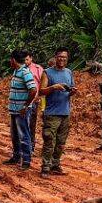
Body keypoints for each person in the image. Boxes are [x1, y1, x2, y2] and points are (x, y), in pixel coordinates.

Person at [38, 47, 74, 178]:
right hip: (52, 113)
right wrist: (53, 87)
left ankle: (56, 164)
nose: (62, 59)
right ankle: (45, 167)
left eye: (64, 57)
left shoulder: (69, 72)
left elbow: (70, 91)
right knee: (49, 140)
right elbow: (41, 91)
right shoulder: (47, 73)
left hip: (65, 112)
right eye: (60, 57)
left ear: (67, 58)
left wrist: (73, 91)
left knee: (61, 142)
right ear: (55, 57)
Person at [3, 49, 38, 170]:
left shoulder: (25, 72)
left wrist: (25, 106)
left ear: (13, 60)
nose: (10, 61)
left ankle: (26, 161)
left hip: (21, 110)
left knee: (24, 135)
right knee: (15, 135)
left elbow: (33, 90)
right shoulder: (16, 71)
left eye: (10, 59)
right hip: (14, 109)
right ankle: (16, 156)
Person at [25, 51, 45, 154]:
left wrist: (39, 97)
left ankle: (31, 146)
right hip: (23, 101)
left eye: (27, 59)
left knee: (32, 124)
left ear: (31, 58)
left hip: (34, 101)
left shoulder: (38, 69)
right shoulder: (21, 69)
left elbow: (43, 83)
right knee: (24, 124)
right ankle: (24, 146)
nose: (25, 61)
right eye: (24, 59)